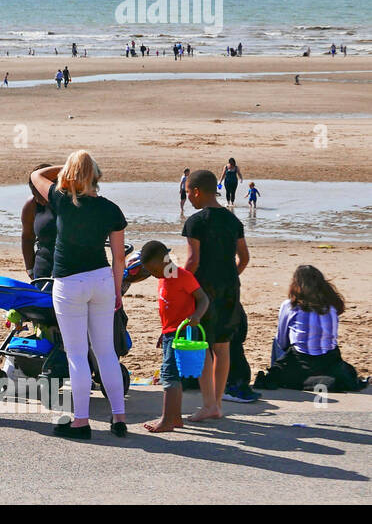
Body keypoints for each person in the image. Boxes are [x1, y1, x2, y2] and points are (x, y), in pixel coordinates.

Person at [31, 151, 128, 438]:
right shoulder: (111, 209)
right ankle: (119, 418)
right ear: (96, 176)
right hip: (101, 280)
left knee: (76, 354)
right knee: (106, 352)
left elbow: (35, 175)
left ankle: (81, 422)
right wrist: (117, 289)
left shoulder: (61, 199)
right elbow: (119, 258)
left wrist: (69, 169)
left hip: (69, 283)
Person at [182, 169, 253, 417]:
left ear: (197, 191)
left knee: (203, 346)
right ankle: (217, 405)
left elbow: (193, 261)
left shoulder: (195, 222)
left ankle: (209, 404)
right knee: (223, 347)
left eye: (188, 192)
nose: (188, 197)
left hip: (203, 290)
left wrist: (180, 283)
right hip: (230, 289)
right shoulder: (234, 221)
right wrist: (230, 276)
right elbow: (244, 258)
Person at [136, 241, 209, 433]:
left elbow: (203, 299)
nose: (152, 274)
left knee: (169, 375)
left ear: (164, 260)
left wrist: (197, 316)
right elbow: (167, 310)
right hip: (169, 332)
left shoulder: (183, 276)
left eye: (153, 269)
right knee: (172, 375)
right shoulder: (162, 278)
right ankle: (175, 418)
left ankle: (167, 419)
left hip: (184, 331)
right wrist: (163, 331)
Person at [255, 266, 363, 391]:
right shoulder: (331, 307)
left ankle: (278, 372)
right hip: (329, 361)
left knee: (277, 340)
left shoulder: (291, 306)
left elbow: (282, 340)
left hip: (301, 361)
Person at [19, 163, 55, 280]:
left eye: (39, 192)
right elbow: (27, 237)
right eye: (33, 192)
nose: (37, 198)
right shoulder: (31, 205)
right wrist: (30, 269)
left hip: (70, 271)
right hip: (43, 268)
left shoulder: (69, 203)